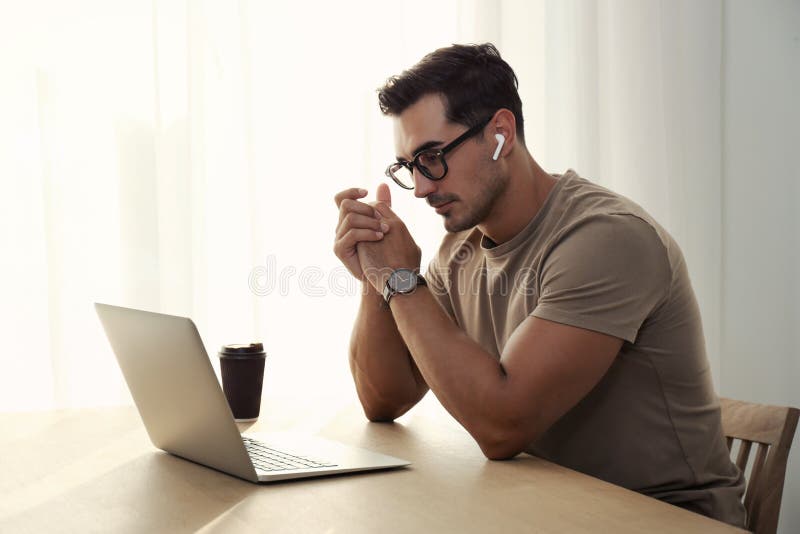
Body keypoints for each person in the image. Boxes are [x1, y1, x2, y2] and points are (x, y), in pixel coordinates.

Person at [332, 43, 745, 527]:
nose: (421, 188)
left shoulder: (607, 239)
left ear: (501, 134)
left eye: (432, 157)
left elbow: (501, 427)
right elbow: (384, 399)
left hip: (668, 520)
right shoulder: (460, 249)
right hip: (551, 509)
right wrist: (378, 274)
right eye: (409, 167)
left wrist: (402, 280)